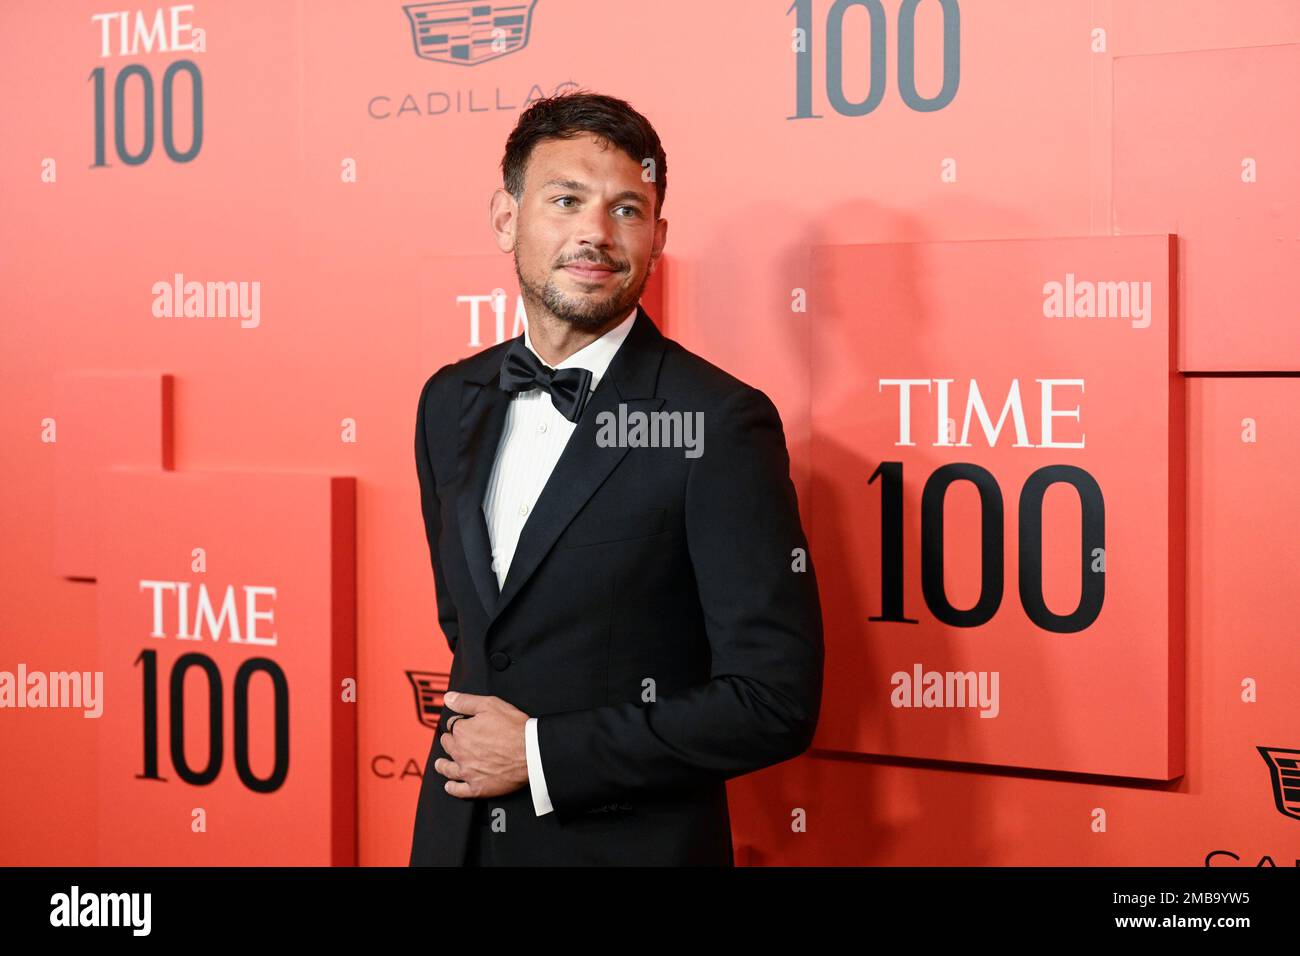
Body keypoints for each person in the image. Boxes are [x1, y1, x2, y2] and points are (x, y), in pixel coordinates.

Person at [408, 90, 824, 866]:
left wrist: (539, 755)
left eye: (627, 209)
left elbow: (774, 702)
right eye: (566, 200)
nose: (595, 234)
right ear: (506, 218)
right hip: (455, 838)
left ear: (658, 237)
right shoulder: (448, 399)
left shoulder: (719, 422)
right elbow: (476, 634)